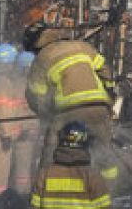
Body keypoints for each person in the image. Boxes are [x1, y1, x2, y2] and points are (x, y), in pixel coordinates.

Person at [24, 22, 119, 186]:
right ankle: (110, 193)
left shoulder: (42, 58)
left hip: (68, 111)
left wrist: (47, 116)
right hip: (98, 107)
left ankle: (44, 192)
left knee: (51, 153)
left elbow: (36, 97)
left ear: (34, 44)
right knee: (103, 152)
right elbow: (105, 71)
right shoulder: (82, 46)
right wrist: (109, 97)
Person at [0, 43, 33, 197]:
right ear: (8, 63)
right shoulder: (2, 83)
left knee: (2, 167)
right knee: (0, 168)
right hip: (0, 135)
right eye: (12, 62)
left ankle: (0, 198)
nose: (14, 66)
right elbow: (3, 110)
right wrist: (7, 133)